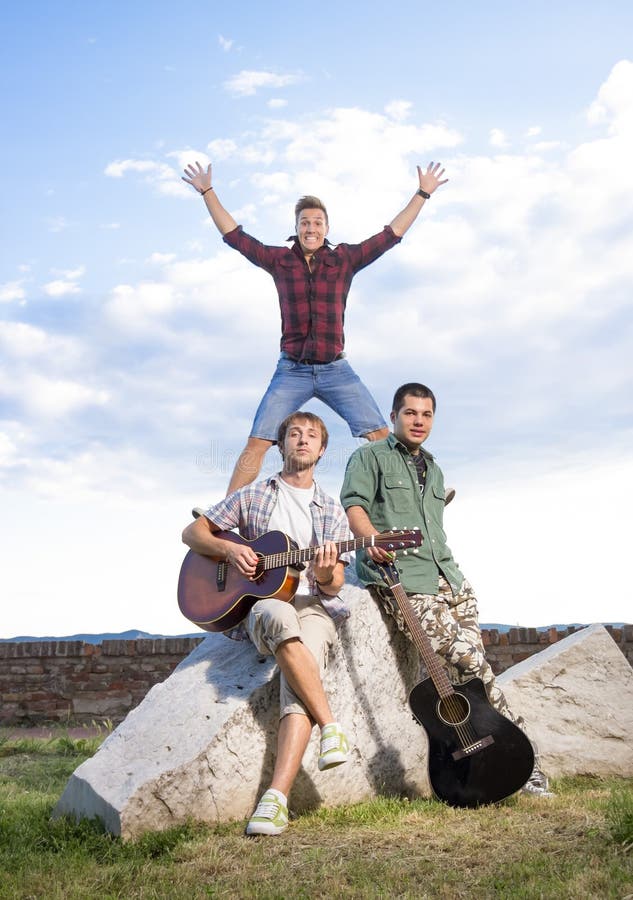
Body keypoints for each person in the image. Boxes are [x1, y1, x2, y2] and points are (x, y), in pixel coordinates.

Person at [181, 159, 448, 494]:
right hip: (291, 370)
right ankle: (223, 514)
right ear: (297, 227)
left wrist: (422, 193)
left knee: (381, 436)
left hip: (336, 370)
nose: (311, 228)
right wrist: (207, 191)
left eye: (317, 222)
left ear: (326, 229)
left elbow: (390, 235)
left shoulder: (344, 260)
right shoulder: (280, 260)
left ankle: (419, 495)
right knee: (258, 441)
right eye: (305, 222)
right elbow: (234, 236)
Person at [339, 382, 553, 798]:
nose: (418, 421)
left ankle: (489, 764)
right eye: (410, 413)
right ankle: (525, 765)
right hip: (407, 581)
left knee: (472, 677)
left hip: (452, 580)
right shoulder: (369, 457)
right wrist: (374, 542)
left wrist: (454, 581)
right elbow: (355, 508)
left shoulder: (433, 468)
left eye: (426, 414)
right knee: (473, 662)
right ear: (394, 416)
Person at [182, 411, 353, 835]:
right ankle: (331, 726)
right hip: (262, 605)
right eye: (294, 433)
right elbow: (192, 534)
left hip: (312, 604)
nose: (302, 440)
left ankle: (275, 799)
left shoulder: (331, 509)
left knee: (304, 658)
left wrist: (328, 569)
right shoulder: (254, 495)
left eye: (312, 435)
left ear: (322, 450)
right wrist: (227, 552)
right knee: (277, 613)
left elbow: (333, 587)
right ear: (280, 446)